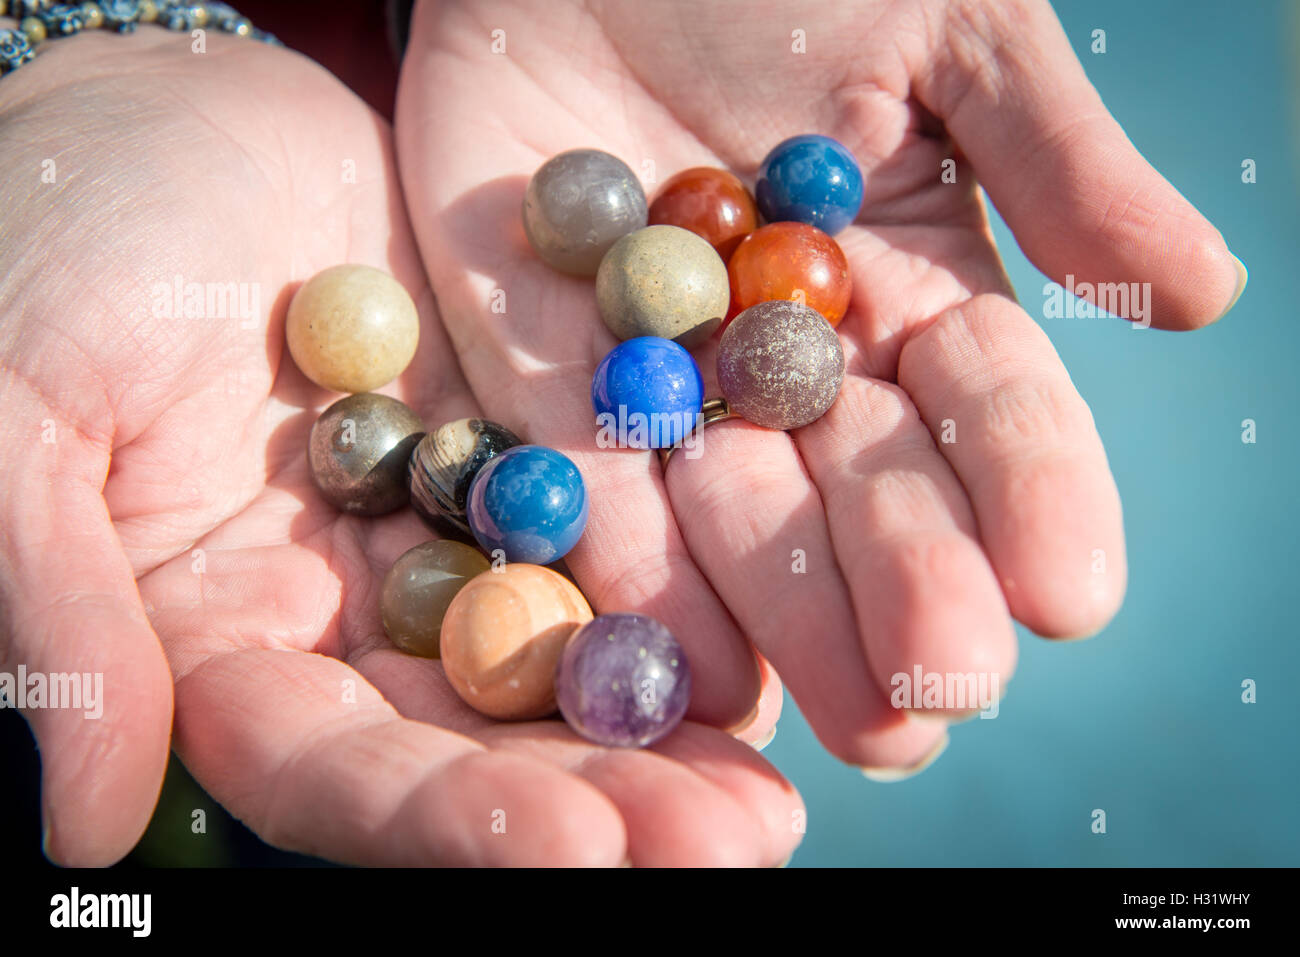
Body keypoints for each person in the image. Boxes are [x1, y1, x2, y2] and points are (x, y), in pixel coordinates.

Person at [0, 0, 1245, 868]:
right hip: (302, 88)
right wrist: (58, 32)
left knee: (463, 828)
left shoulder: (735, 272)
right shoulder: (489, 428)